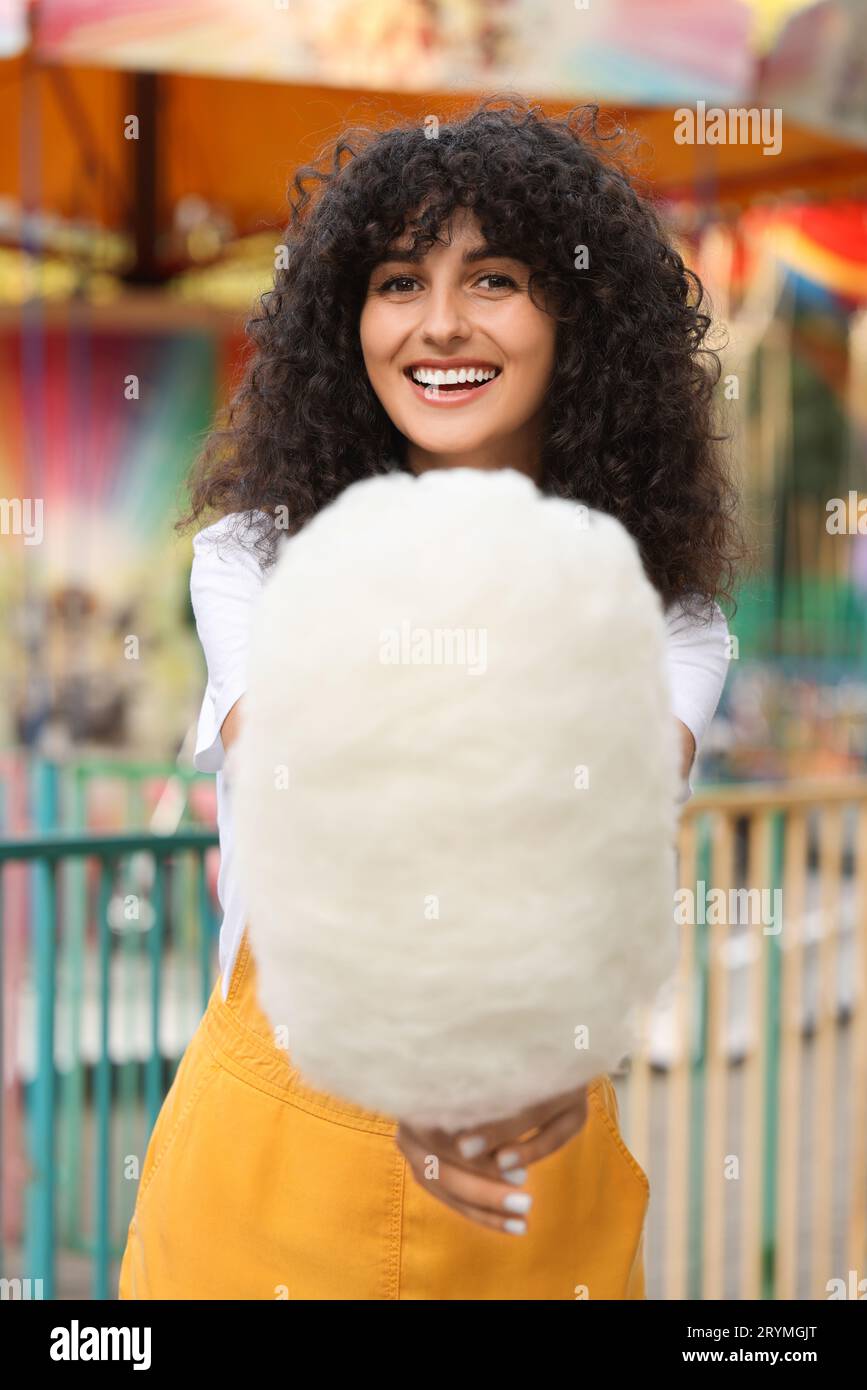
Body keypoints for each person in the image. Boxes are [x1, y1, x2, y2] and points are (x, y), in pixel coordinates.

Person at [119, 98, 744, 1300]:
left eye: (495, 279)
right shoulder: (252, 560)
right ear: (347, 319)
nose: (441, 323)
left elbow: (588, 847)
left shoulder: (667, 621)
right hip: (266, 1174)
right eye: (399, 281)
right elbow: (314, 796)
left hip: (528, 1173)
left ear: (579, 317)